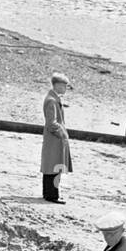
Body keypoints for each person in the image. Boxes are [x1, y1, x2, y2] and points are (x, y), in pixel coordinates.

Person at [40, 73, 72, 203]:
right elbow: (51, 123)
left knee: (53, 167)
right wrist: (62, 133)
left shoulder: (53, 99)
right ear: (58, 85)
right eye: (64, 86)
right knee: (53, 167)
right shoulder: (52, 101)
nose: (65, 89)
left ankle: (50, 194)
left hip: (54, 139)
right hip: (54, 139)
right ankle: (52, 196)